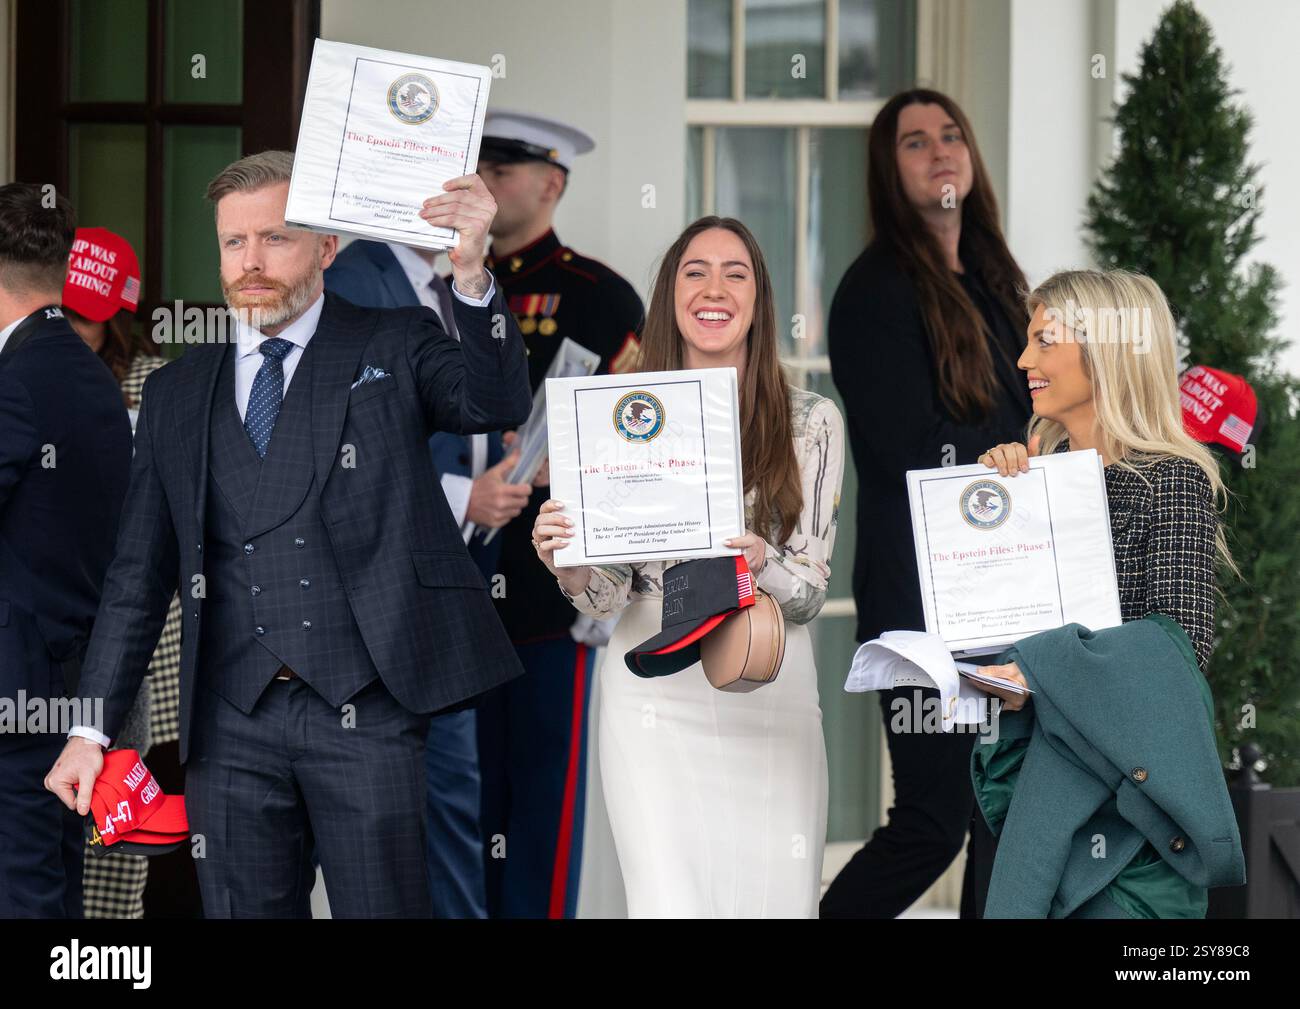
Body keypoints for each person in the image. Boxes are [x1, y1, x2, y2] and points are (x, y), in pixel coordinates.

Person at [44, 150, 532, 918]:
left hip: (368, 711)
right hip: (230, 727)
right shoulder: (177, 390)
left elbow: (494, 398)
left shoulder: (394, 341)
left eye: (274, 238)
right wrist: (88, 730)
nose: (251, 263)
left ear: (327, 248)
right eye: (234, 243)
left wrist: (471, 275)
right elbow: (137, 575)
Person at [532, 216, 845, 917]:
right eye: (694, 271)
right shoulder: (618, 413)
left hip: (767, 683)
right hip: (652, 696)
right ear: (670, 296)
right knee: (669, 902)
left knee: (776, 903)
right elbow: (608, 595)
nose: (714, 288)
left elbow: (809, 595)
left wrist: (760, 561)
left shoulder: (811, 420)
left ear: (759, 299)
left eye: (736, 272)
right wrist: (572, 567)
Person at [965, 268, 1239, 917]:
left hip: (1125, 830)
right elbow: (1003, 627)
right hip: (1029, 788)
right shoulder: (1033, 476)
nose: (1024, 359)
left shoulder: (1172, 480)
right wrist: (986, 510)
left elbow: (1177, 653)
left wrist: (1038, 669)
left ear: (1108, 349)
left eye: (1044, 340)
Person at [824, 88, 1033, 918]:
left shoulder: (992, 276)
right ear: (889, 168)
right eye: (916, 142)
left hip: (1005, 583)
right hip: (921, 600)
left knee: (1002, 813)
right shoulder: (872, 291)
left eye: (952, 134)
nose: (941, 152)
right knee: (934, 818)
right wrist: (1004, 462)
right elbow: (908, 449)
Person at [472, 111, 644, 918]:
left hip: (548, 589)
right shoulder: (438, 286)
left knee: (544, 800)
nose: (485, 179)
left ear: (551, 182)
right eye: (480, 165)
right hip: (448, 588)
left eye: (502, 168)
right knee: (458, 805)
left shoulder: (600, 299)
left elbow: (634, 446)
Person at [324, 238, 527, 919]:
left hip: (449, 586)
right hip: (386, 599)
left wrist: (491, 455)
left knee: (450, 808)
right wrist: (460, 495)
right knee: (410, 821)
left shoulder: (440, 281)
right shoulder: (357, 273)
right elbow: (339, 441)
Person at [0, 184, 133, 917]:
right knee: (50, 889)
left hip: (16, 688)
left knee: (21, 889)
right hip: (68, 681)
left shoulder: (16, 379)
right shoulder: (90, 375)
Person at [61, 226, 187, 919]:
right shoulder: (24, 373)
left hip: (139, 649)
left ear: (119, 312)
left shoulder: (156, 385)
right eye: (60, 309)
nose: (71, 326)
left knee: (129, 827)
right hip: (50, 640)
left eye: (85, 313)